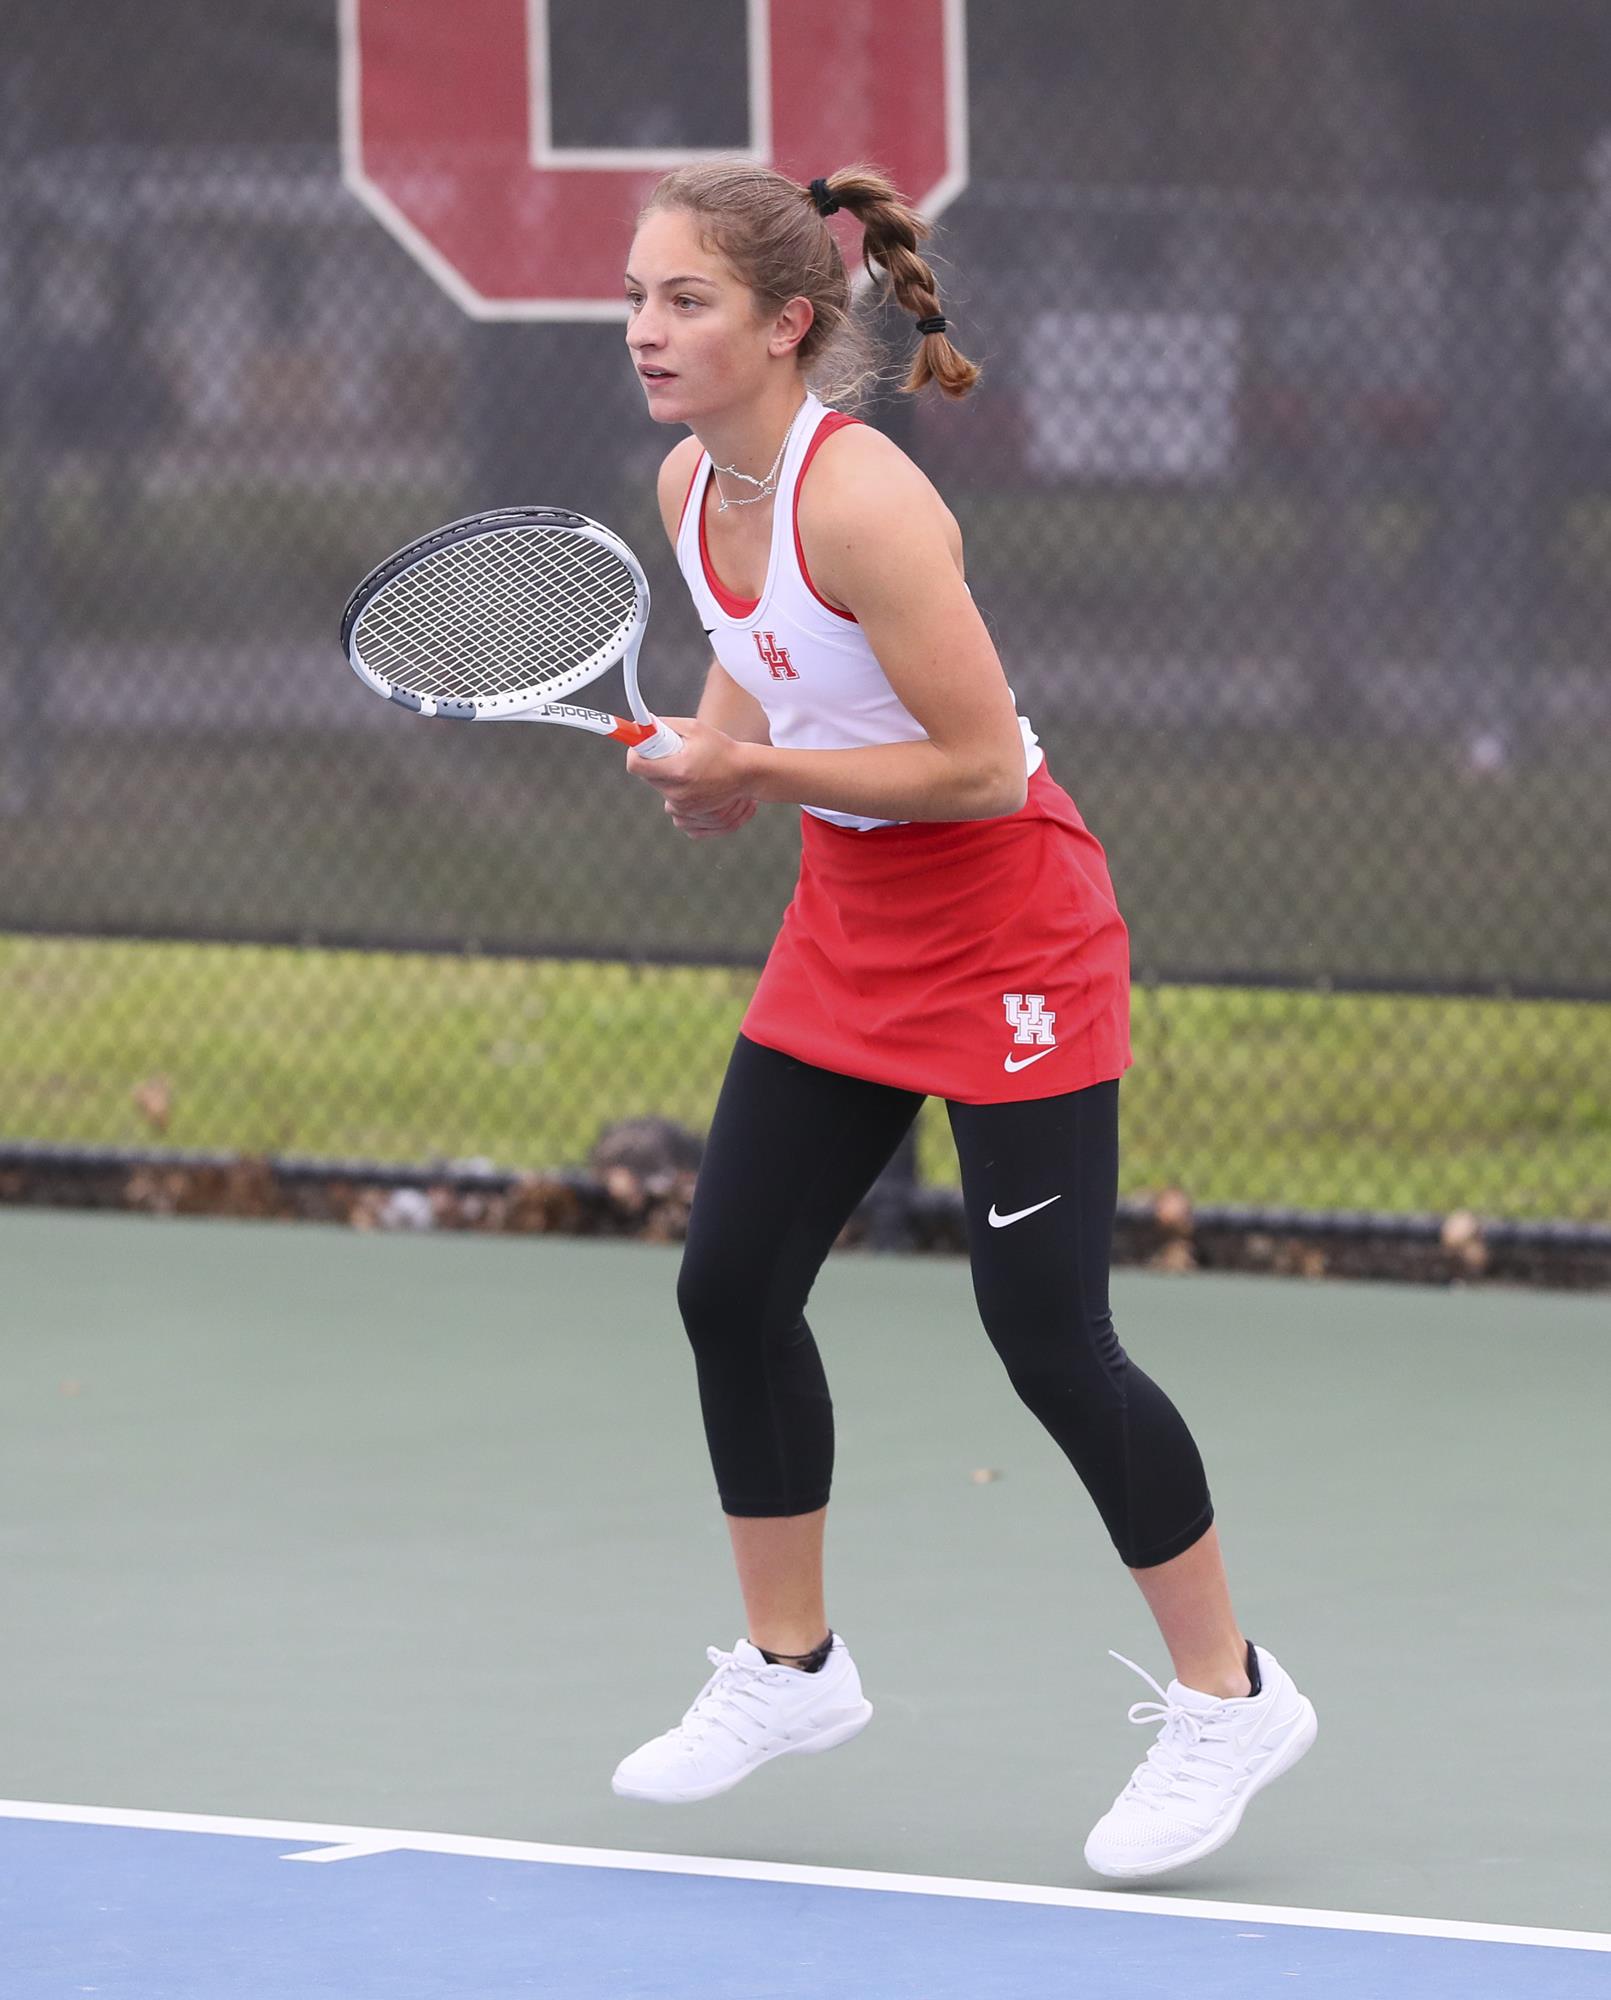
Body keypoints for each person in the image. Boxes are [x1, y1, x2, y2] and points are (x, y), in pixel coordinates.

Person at [610, 160, 1316, 1880]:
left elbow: (985, 767)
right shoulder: (691, 480)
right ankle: (792, 1671)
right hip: (849, 925)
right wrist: (723, 765)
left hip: (1010, 931)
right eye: (636, 297)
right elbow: (757, 659)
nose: (645, 330)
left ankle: (1232, 1697)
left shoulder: (869, 504)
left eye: (686, 300)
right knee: (729, 1289)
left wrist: (759, 765)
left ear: (788, 323)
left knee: (1048, 1337)